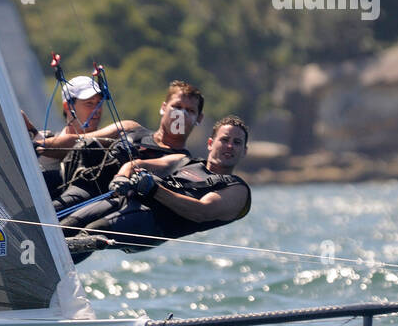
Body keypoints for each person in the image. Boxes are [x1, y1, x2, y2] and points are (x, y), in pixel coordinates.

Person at [65, 115, 251, 261]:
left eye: (237, 143)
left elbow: (200, 211)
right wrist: (121, 177)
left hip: (151, 225)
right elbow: (137, 164)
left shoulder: (236, 189)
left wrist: (154, 189)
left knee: (93, 232)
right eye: (225, 139)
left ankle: (53, 272)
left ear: (244, 151)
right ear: (210, 143)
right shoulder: (183, 161)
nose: (230, 146)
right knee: (66, 225)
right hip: (126, 201)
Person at [41, 79, 205, 212]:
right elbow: (78, 140)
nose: (181, 115)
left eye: (190, 111)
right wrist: (38, 145)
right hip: (68, 176)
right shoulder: (129, 127)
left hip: (99, 202)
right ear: (163, 108)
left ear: (199, 119)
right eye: (177, 107)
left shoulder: (183, 163)